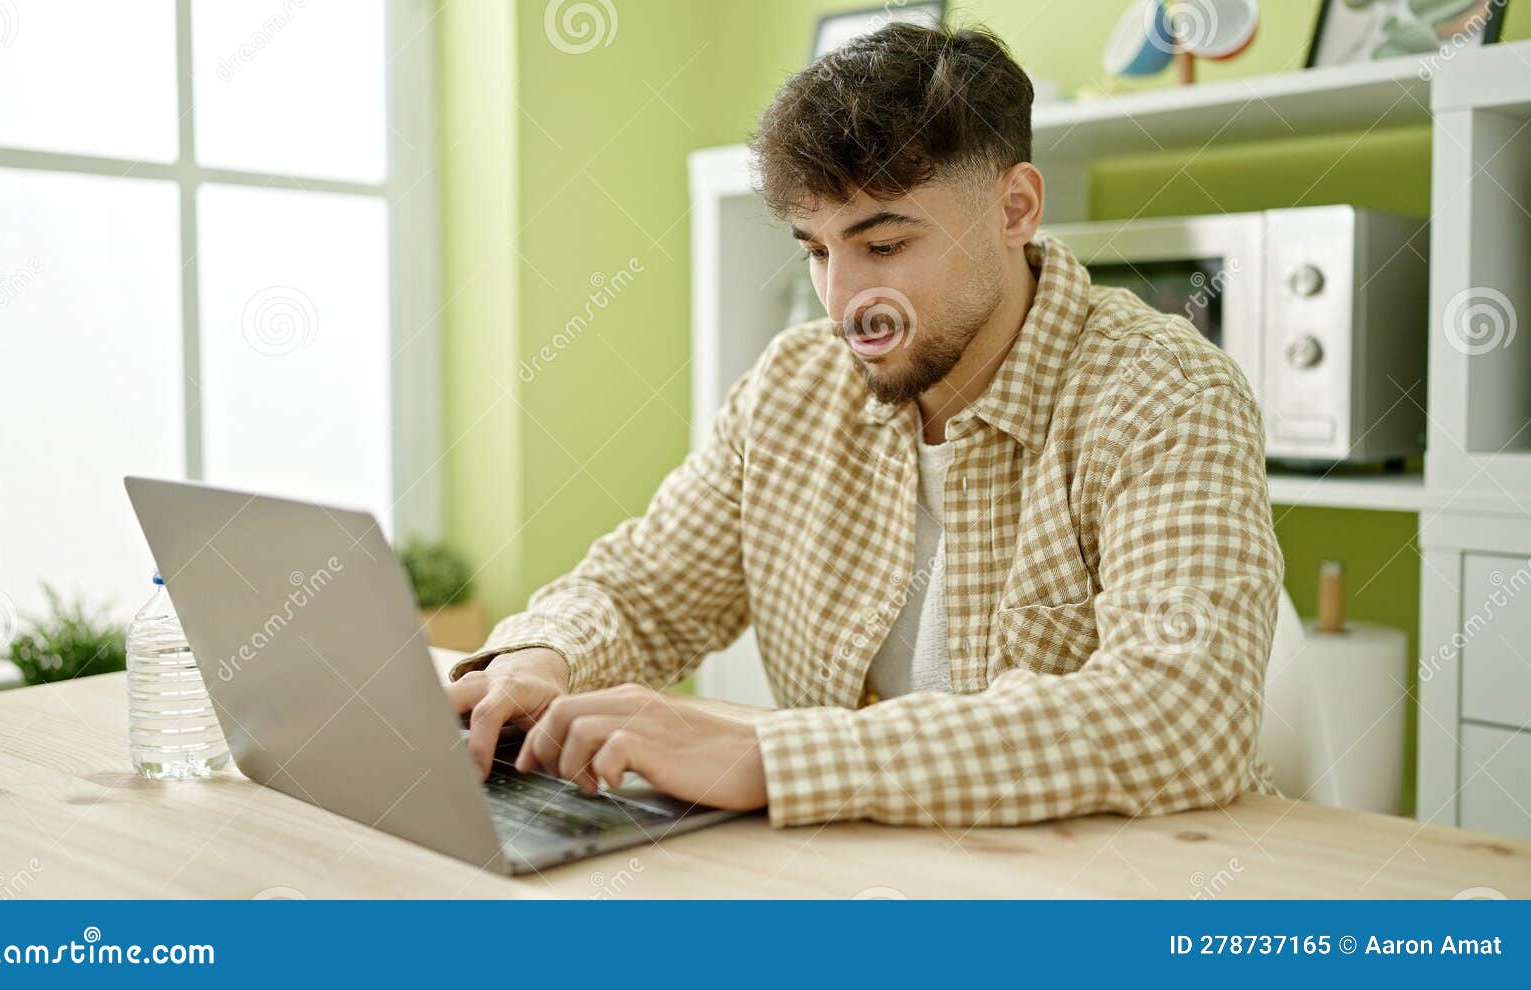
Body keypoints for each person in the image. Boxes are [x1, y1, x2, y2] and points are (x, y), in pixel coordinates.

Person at [445, 21, 1285, 828]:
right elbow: (637, 594)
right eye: (815, 250)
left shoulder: (1164, 394)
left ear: (1016, 207)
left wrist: (774, 757)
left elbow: (1180, 715)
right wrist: (540, 655)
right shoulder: (793, 387)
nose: (845, 302)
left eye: (882, 246)